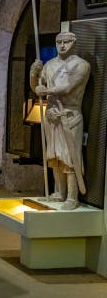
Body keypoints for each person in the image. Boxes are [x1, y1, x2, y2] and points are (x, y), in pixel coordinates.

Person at [29, 31, 90, 210]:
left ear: (74, 42)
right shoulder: (49, 65)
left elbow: (68, 88)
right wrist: (34, 75)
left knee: (70, 156)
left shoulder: (81, 65)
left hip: (70, 115)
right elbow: (37, 88)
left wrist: (45, 91)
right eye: (59, 42)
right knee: (54, 156)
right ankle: (59, 192)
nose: (62, 45)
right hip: (51, 116)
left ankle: (72, 196)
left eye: (66, 42)